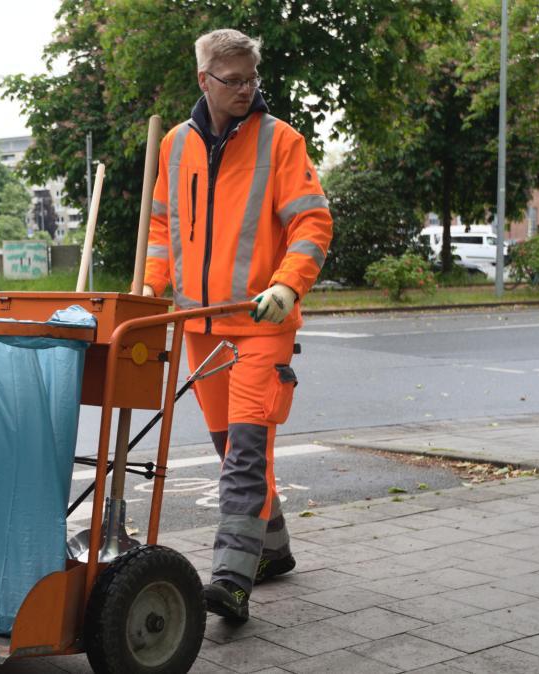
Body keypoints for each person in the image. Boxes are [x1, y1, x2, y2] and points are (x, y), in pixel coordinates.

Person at [142, 28, 333, 622]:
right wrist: (150, 287)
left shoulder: (281, 141)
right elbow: (161, 227)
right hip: (200, 326)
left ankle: (231, 579)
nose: (246, 89)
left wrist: (288, 284)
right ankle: (273, 551)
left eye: (252, 78)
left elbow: (312, 222)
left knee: (247, 454)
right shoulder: (175, 145)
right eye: (233, 80)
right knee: (230, 449)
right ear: (204, 80)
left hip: (260, 323)